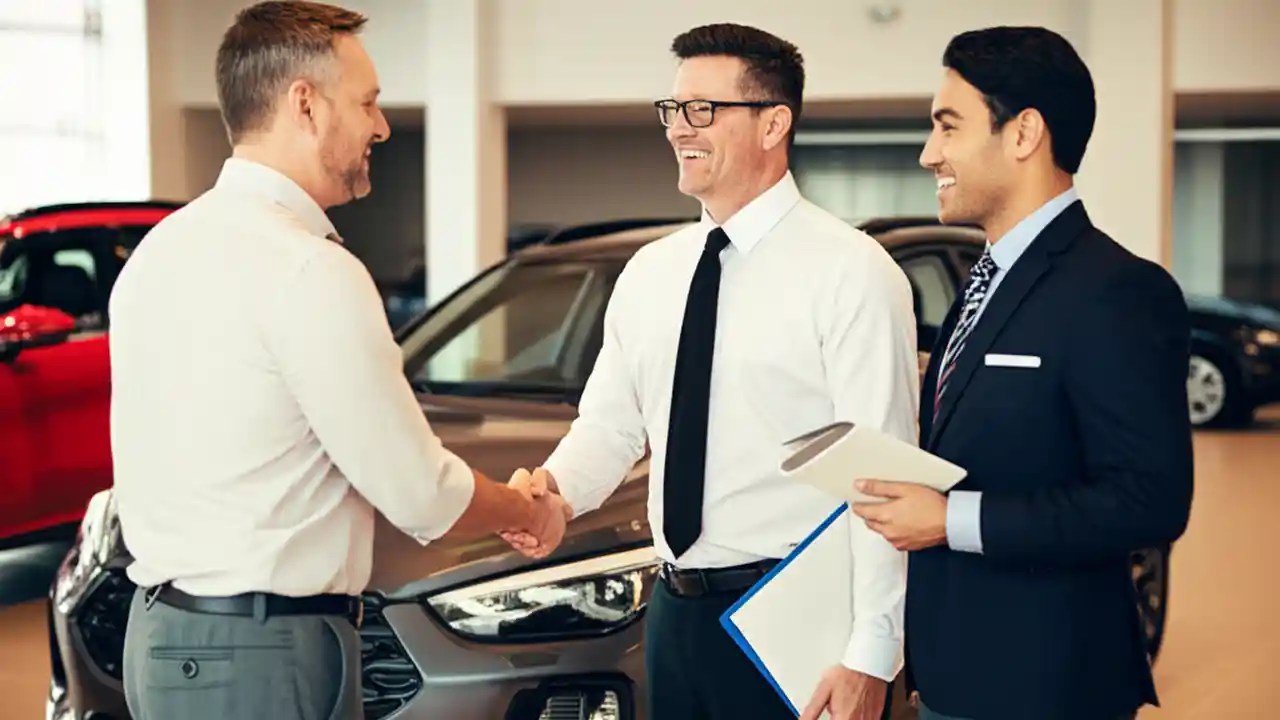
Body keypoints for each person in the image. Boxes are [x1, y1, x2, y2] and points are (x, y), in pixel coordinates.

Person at [108, 3, 568, 719]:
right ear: (305, 104)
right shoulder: (308, 269)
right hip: (263, 653)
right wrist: (521, 510)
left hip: (161, 639)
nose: (380, 126)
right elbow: (417, 489)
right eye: (368, 102)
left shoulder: (158, 252)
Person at [502, 23, 919, 720]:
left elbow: (881, 480)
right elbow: (609, 426)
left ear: (773, 123)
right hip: (673, 614)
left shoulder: (852, 273)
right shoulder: (650, 274)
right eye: (672, 109)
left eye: (703, 109)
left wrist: (872, 653)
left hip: (797, 620)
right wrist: (554, 495)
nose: (677, 129)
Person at [851, 26, 1194, 720]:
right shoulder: (983, 281)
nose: (929, 154)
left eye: (948, 127)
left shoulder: (1117, 289)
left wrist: (953, 519)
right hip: (950, 675)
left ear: (1024, 133)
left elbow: (1150, 500)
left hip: (1047, 686)